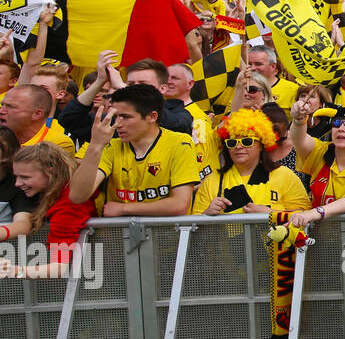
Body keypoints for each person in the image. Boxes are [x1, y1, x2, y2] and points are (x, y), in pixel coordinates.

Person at [69, 84, 201, 217]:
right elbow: (77, 196)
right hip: (120, 236)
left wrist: (124, 208)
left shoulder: (180, 143)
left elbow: (179, 205)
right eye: (116, 116)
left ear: (152, 117)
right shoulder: (111, 146)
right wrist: (95, 145)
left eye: (125, 117)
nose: (118, 123)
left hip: (166, 235)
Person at [0, 144, 97, 278]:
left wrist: (14, 271)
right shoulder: (57, 184)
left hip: (93, 274)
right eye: (16, 177)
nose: (17, 183)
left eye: (25, 177)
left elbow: (59, 267)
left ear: (50, 171)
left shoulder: (69, 204)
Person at [192, 109, 311, 216]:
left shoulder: (284, 176)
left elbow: (305, 215)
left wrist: (270, 214)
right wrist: (207, 214)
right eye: (232, 142)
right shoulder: (212, 181)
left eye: (247, 141)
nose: (238, 147)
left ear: (261, 144)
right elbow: (194, 226)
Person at [286, 100, 345, 228]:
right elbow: (299, 140)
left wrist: (313, 214)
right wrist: (299, 119)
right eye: (337, 123)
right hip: (319, 235)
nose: (341, 129)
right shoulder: (321, 150)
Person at [0, 84, 77, 156]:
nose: (1, 111)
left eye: (11, 107)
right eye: (2, 105)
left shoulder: (58, 143)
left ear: (37, 114)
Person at [248, 46, 298, 110]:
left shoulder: (292, 90)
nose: (252, 68)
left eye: (258, 64)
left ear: (273, 66)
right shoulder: (242, 87)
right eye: (249, 64)